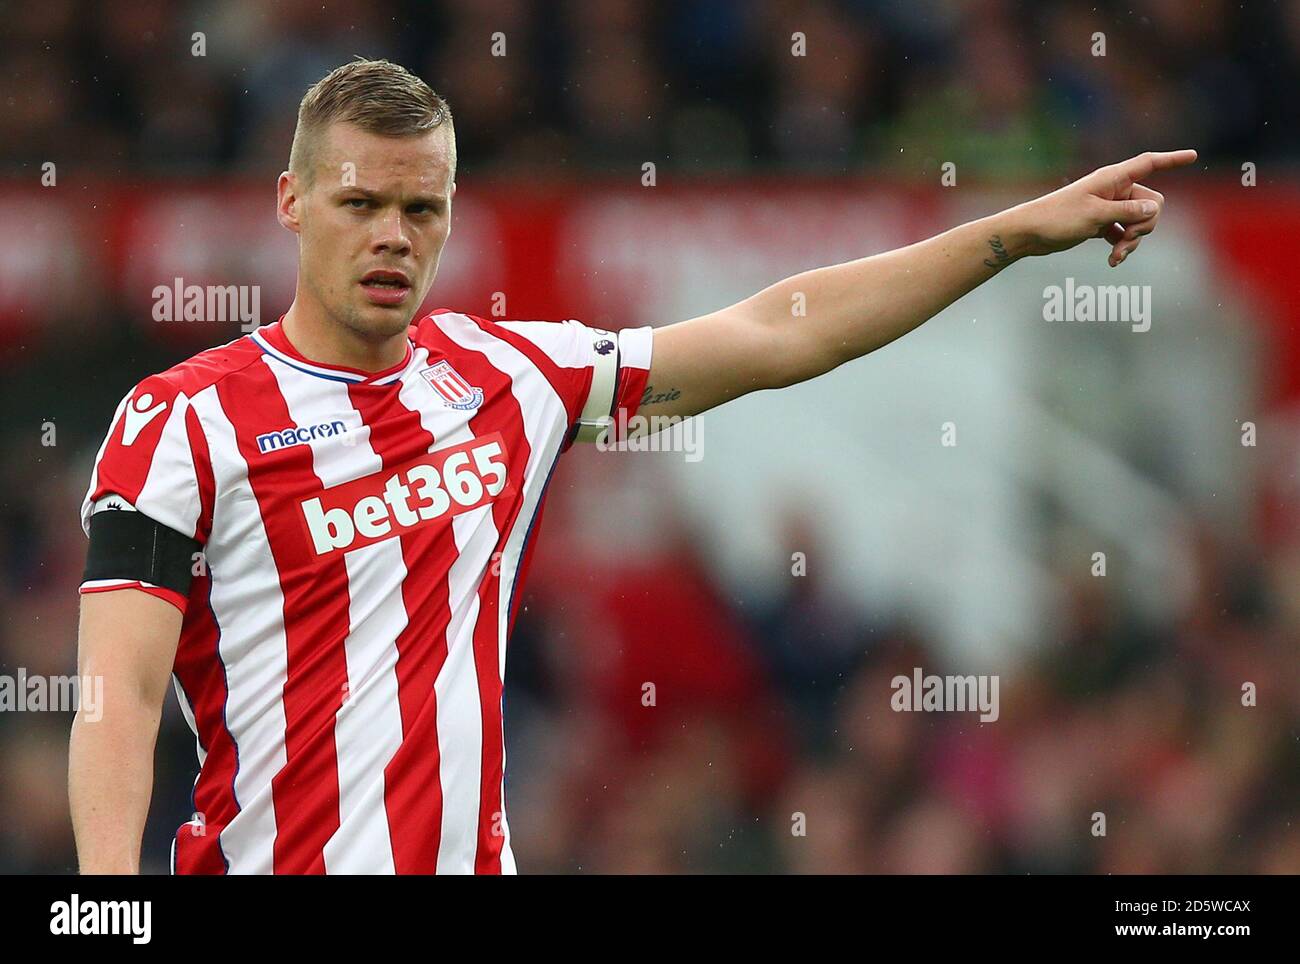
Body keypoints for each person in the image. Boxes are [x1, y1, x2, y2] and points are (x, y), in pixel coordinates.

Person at [68, 57, 1196, 874]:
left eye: (421, 207)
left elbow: (775, 332)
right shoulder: (181, 421)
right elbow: (115, 693)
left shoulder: (512, 379)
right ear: (291, 202)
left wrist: (1006, 234)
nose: (392, 236)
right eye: (359, 203)